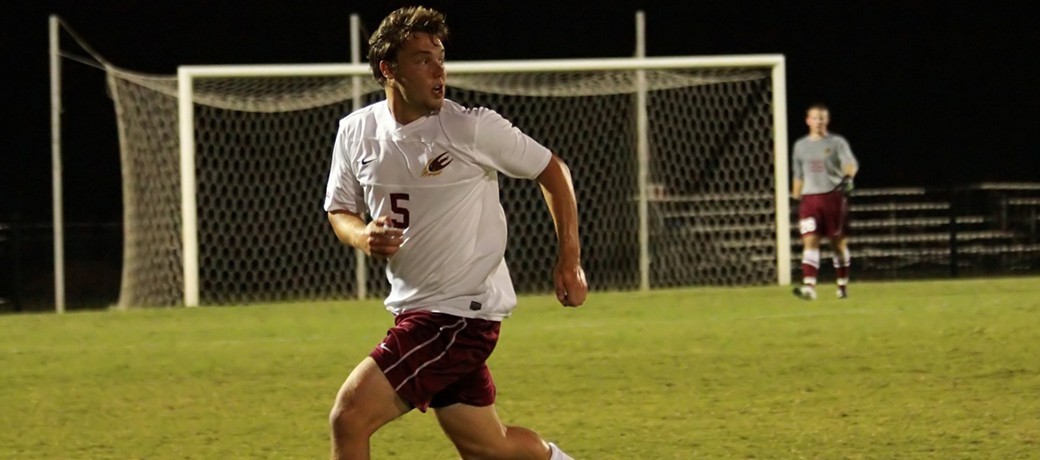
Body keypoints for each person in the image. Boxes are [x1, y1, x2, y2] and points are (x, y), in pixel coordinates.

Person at [322, 6, 587, 460]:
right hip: (418, 309)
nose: (438, 69)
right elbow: (340, 210)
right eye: (423, 59)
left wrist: (569, 259)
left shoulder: (470, 126)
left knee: (349, 417)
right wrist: (362, 235)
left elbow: (553, 171)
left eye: (440, 57)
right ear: (389, 69)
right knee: (490, 447)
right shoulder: (355, 131)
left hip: (458, 315)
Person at [790, 103, 859, 300]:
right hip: (810, 200)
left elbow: (850, 164)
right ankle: (809, 287)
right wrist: (796, 199)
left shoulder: (837, 142)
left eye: (822, 118)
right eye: (815, 118)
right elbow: (798, 175)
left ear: (826, 120)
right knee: (810, 240)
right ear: (808, 121)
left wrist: (848, 179)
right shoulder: (800, 146)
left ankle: (842, 285)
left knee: (837, 244)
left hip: (833, 197)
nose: (818, 121)